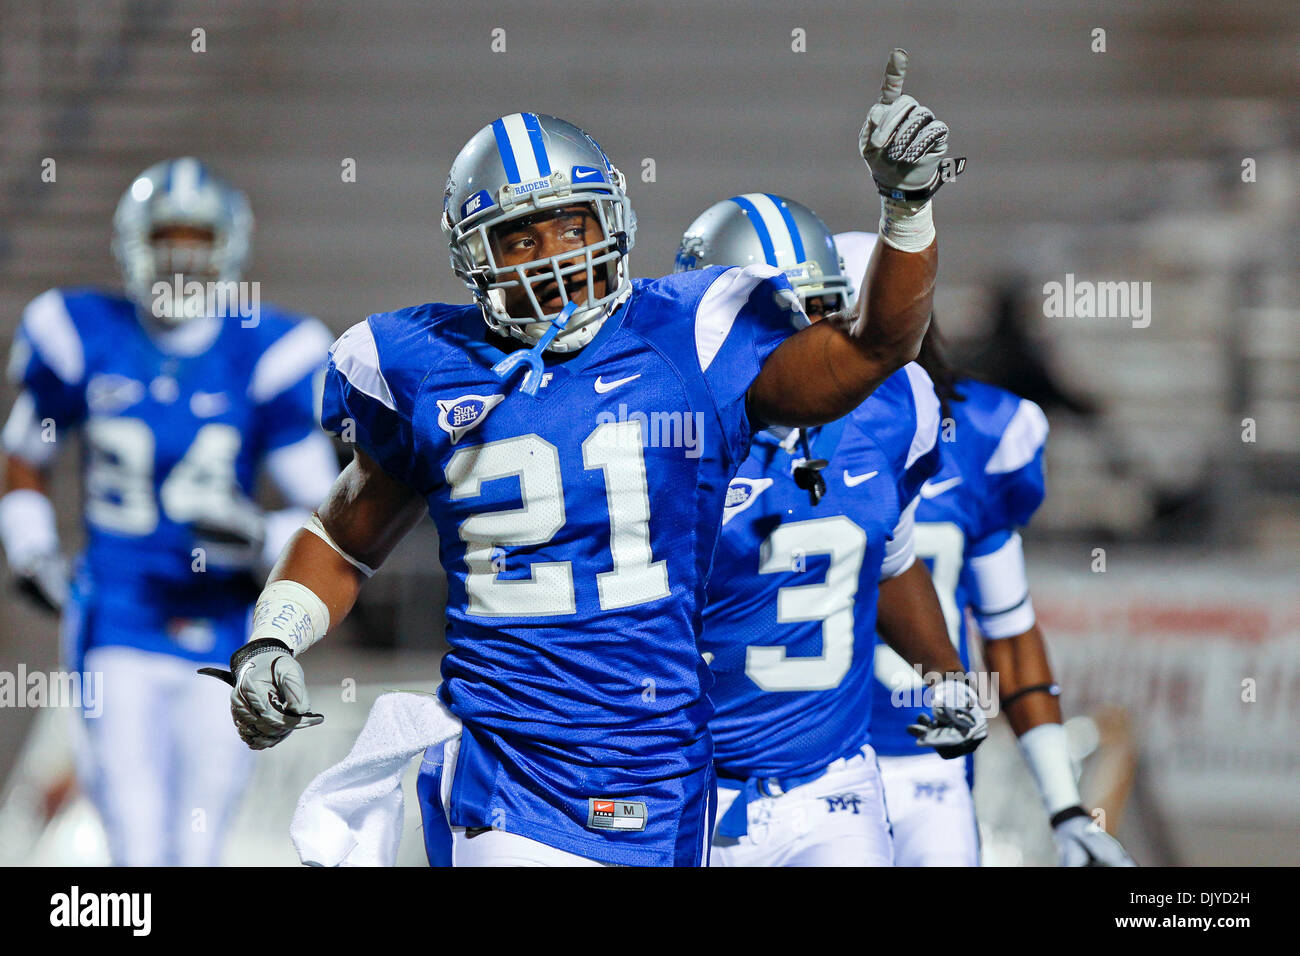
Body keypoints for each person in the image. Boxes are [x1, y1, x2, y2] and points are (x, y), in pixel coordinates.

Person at [215, 50, 956, 867]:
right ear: (475, 256)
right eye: (522, 236)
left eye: (575, 224)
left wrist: (907, 207)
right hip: (510, 773)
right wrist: (273, 637)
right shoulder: (418, 362)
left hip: (669, 770)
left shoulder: (692, 336)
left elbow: (877, 345)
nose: (557, 256)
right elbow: (344, 537)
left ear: (616, 224)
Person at [0, 157, 337, 865]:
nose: (181, 261)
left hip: (221, 624)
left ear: (228, 248)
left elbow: (326, 515)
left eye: (196, 242)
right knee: (136, 831)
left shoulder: (262, 350)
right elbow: (23, 455)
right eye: (168, 241)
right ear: (133, 245)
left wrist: (254, 535)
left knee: (200, 834)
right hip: (118, 614)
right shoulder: (84, 333)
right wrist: (31, 549)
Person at [677, 195, 985, 866]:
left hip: (832, 791)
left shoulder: (900, 404)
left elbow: (893, 559)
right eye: (775, 322)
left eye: (820, 311)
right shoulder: (661, 433)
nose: (810, 337)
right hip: (681, 794)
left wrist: (948, 678)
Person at [837, 230, 1135, 866]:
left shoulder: (978, 432)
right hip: (801, 765)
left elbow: (1009, 626)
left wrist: (1064, 805)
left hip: (927, 766)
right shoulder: (769, 434)